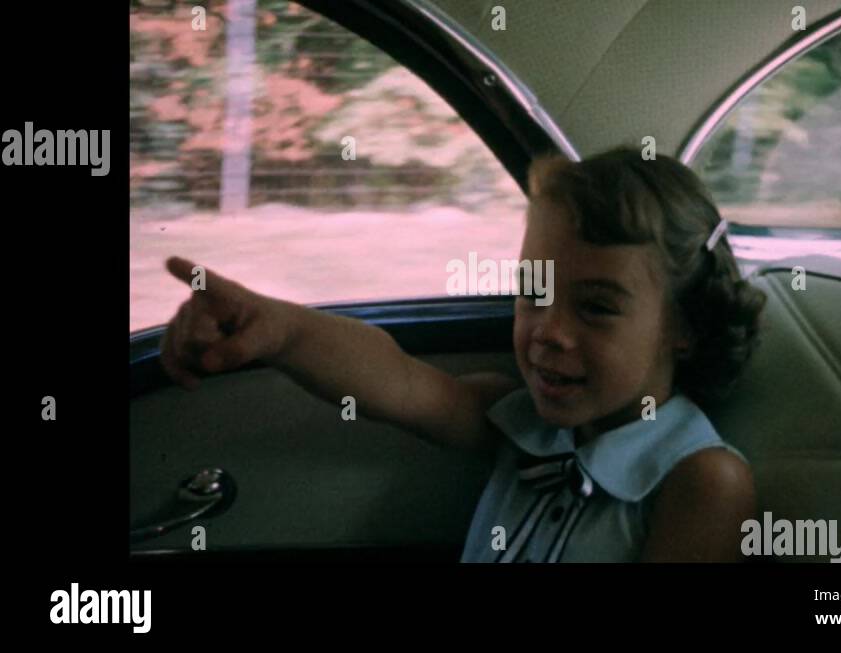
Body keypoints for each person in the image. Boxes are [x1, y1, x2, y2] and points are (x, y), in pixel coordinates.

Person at [159, 146, 767, 562]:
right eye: (533, 293)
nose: (548, 332)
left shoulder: (700, 479)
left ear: (682, 325)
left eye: (597, 307)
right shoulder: (524, 423)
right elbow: (393, 379)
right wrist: (279, 329)